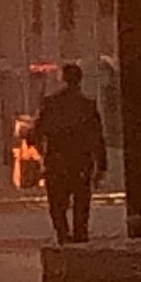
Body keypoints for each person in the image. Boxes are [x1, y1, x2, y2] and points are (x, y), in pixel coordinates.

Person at [33, 63, 105, 244]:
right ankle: (80, 236)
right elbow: (97, 138)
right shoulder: (87, 105)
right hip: (81, 162)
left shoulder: (51, 104)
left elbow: (37, 133)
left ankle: (63, 236)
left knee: (57, 204)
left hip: (57, 161)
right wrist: (101, 165)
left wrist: (40, 154)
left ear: (62, 78)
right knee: (81, 203)